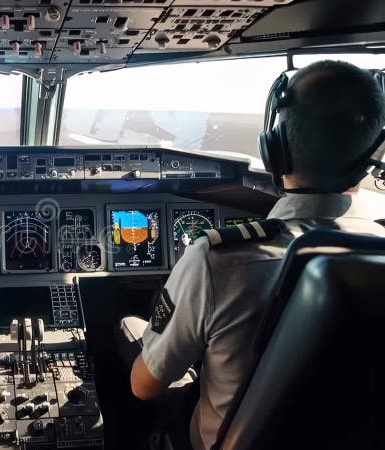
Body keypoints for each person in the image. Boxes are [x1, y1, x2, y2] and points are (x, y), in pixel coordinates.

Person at [127, 60, 385, 450]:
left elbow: (145, 387)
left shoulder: (216, 259)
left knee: (129, 335)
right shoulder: (376, 253)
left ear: (275, 149)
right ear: (371, 156)